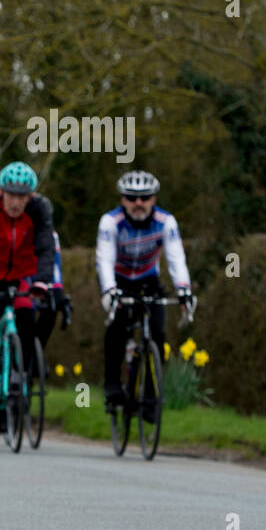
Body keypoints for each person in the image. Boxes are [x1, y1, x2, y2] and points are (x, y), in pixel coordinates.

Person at [96, 170, 195, 414]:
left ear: (154, 199)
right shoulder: (110, 222)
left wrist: (184, 290)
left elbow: (176, 259)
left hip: (148, 281)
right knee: (117, 329)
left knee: (158, 335)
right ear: (122, 200)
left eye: (145, 198)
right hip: (119, 281)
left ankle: (151, 396)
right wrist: (109, 290)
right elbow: (104, 259)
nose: (138, 203)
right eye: (131, 198)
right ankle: (112, 385)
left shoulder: (166, 222)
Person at [0, 162, 56, 403]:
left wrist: (42, 282)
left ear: (30, 196)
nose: (15, 203)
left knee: (25, 319)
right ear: (1, 192)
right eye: (11, 195)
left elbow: (47, 248)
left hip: (21, 274)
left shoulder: (39, 210)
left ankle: (18, 373)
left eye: (22, 197)